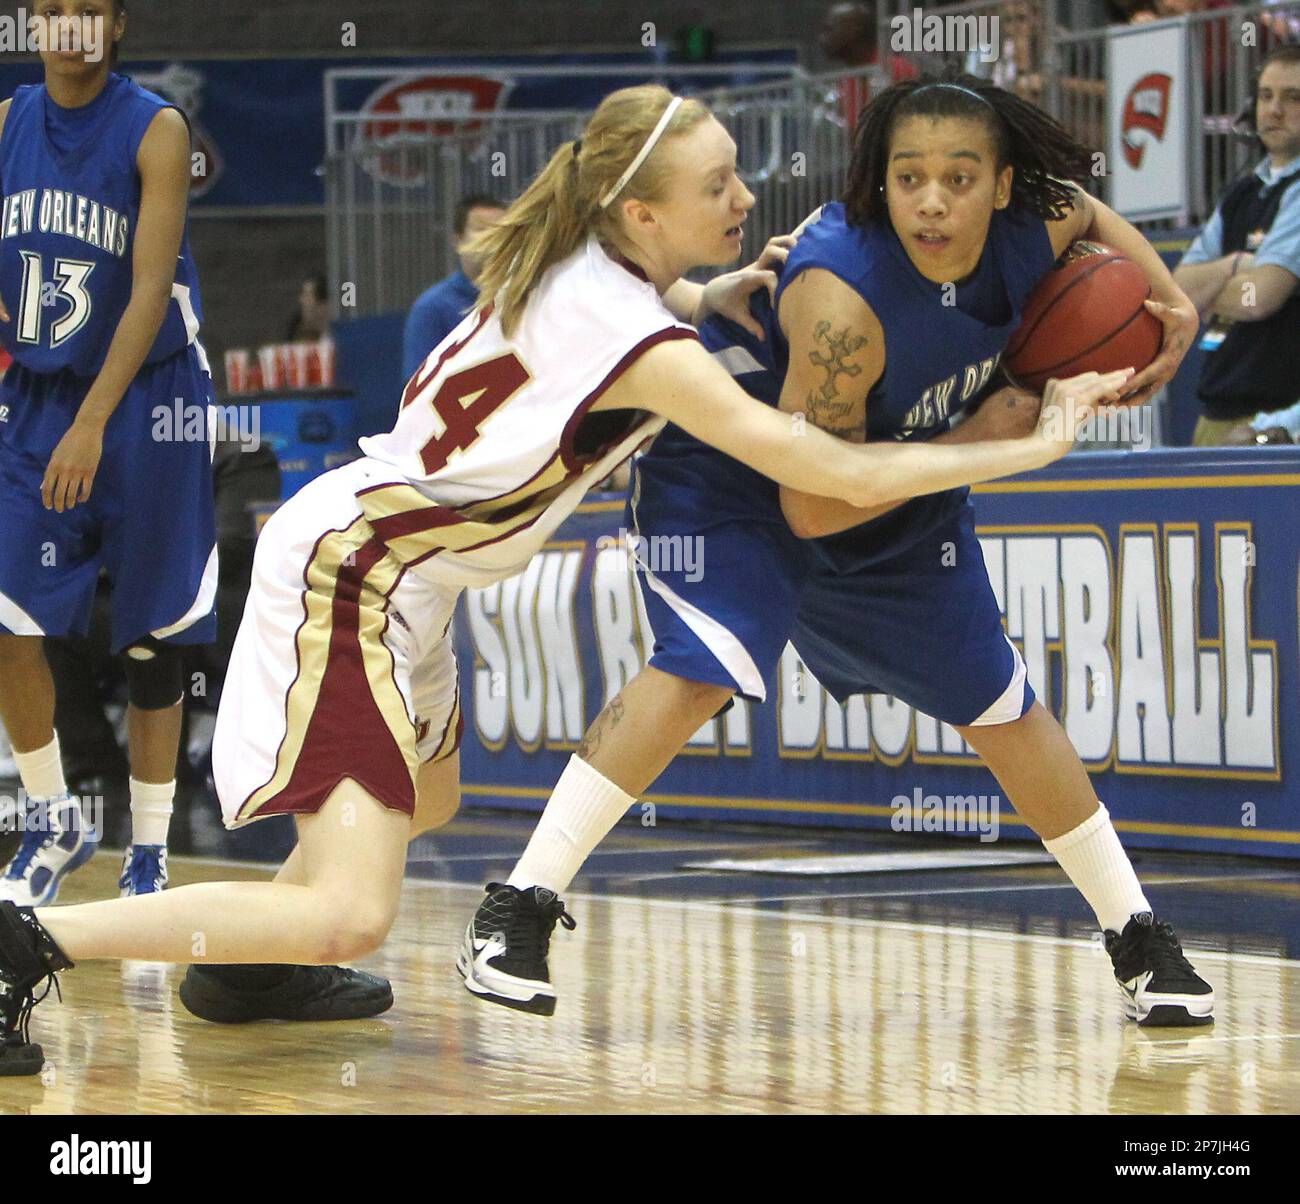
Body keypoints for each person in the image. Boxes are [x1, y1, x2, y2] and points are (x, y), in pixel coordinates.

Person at [0, 83, 1105, 1074]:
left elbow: (601, 337)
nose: (743, 193)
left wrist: (703, 293)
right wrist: (1020, 446)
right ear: (641, 215)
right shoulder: (639, 334)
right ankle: (27, 944)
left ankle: (242, 970)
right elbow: (817, 465)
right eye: (717, 181)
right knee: (350, 911)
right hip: (357, 580)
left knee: (429, 801)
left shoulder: (581, 267)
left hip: (404, 573)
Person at [457, 77, 1215, 1031]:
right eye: (908, 178)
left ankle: (1137, 934)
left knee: (1001, 703)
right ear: (880, 183)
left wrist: (1171, 298)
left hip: (891, 472)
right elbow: (814, 503)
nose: (932, 201)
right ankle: (518, 906)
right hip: (742, 476)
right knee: (707, 663)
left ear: (1004, 185)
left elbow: (1091, 207)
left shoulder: (1040, 220)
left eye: (958, 177)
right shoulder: (841, 296)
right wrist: (1002, 428)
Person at [0, 0, 216, 909]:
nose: (68, 25)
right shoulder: (9, 120)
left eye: (87, 9)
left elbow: (148, 286)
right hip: (41, 393)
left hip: (148, 395)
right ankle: (53, 817)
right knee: (11, 622)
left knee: (148, 640)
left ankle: (151, 849)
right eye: (50, 10)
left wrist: (92, 422)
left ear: (116, 24)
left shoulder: (156, 128)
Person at [1173, 45, 1300, 446]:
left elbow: (1259, 299)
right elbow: (1178, 294)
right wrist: (1236, 265)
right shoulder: (1240, 194)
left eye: (1293, 97)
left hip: (1277, 424)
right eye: (1265, 96)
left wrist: (1210, 292)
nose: (1274, 110)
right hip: (1214, 415)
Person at [401, 193, 506, 380]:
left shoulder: (523, 297)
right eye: (482, 229)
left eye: (500, 230)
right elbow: (417, 386)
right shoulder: (432, 307)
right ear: (457, 240)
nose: (493, 238)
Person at [820, 2, 919, 135]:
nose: (822, 39)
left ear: (853, 30)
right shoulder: (848, 81)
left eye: (829, 29)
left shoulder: (897, 70)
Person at [285, 274, 329, 343]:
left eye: (307, 295)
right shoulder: (296, 330)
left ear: (323, 305)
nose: (301, 300)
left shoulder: (339, 340)